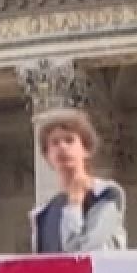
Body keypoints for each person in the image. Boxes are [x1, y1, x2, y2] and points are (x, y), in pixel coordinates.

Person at [28, 109, 127, 255]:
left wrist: (74, 204)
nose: (62, 147)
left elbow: (85, 256)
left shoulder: (106, 194)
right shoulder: (43, 214)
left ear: (85, 149)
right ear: (47, 156)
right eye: (55, 143)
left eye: (69, 140)